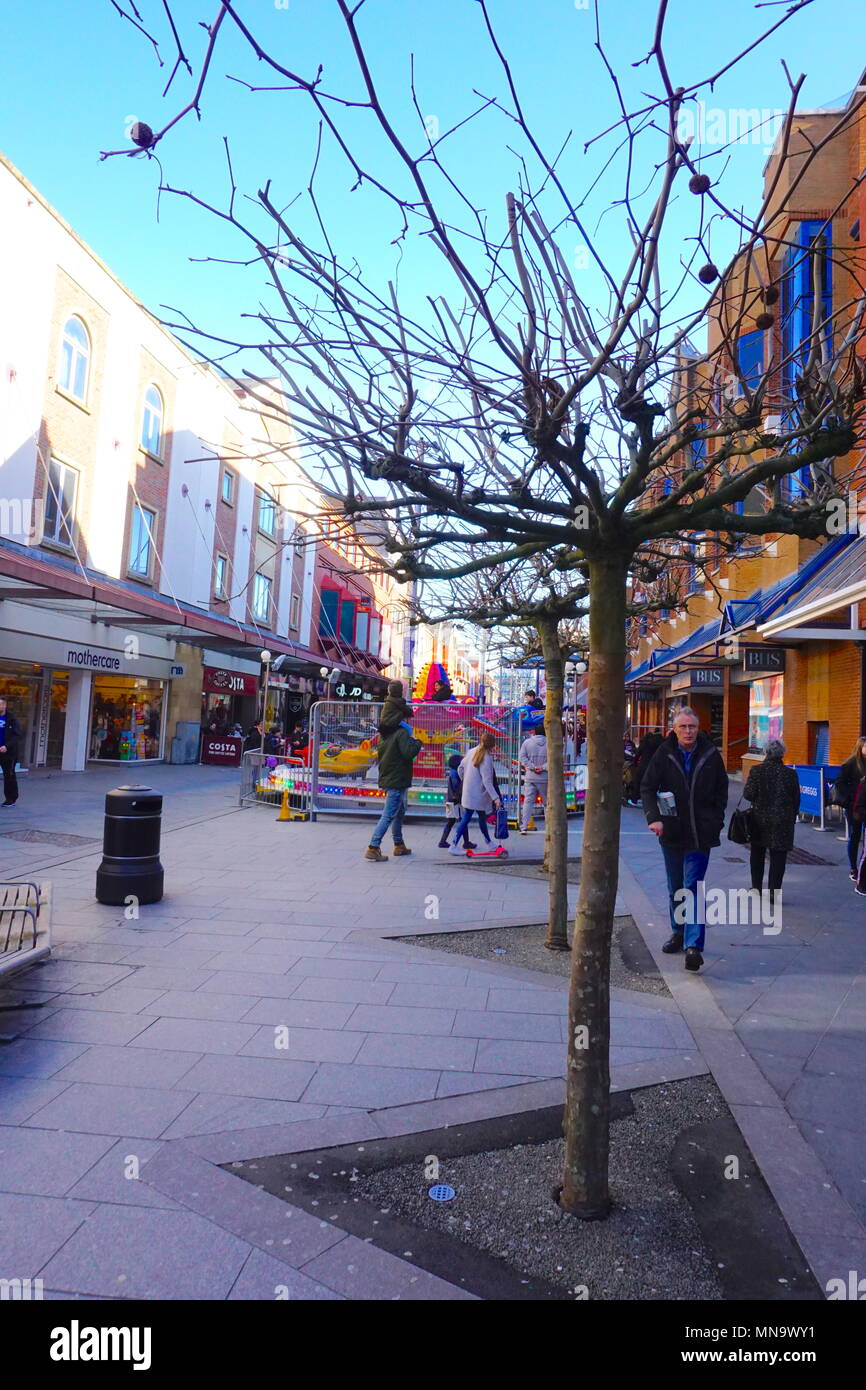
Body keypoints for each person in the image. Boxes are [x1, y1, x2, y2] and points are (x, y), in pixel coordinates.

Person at [641, 707, 729, 972]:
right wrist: (653, 818)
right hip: (671, 832)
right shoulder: (664, 753)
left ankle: (694, 945)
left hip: (700, 835)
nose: (688, 732)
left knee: (693, 887)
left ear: (698, 728)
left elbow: (721, 791)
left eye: (692, 727)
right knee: (675, 886)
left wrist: (716, 821)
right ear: (674, 729)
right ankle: (678, 932)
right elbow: (647, 787)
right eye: (683, 727)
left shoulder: (711, 754)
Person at [742, 739, 800, 901]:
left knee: (757, 854)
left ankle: (756, 889)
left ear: (766, 752)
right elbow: (796, 799)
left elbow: (748, 795)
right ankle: (774, 893)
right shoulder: (790, 774)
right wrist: (791, 816)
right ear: (782, 754)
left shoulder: (757, 771)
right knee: (778, 857)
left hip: (759, 820)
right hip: (783, 821)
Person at [365, 707, 422, 861]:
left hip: (391, 777)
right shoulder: (401, 733)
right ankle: (373, 846)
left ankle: (399, 844)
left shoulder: (385, 734)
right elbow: (408, 753)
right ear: (401, 719)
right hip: (397, 779)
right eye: (407, 719)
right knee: (389, 814)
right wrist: (417, 743)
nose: (409, 722)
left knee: (399, 812)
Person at [449, 732, 500, 855]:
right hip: (480, 794)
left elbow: (460, 768)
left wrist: (465, 780)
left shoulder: (471, 751)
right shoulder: (487, 758)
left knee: (472, 817)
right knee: (474, 817)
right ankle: (454, 844)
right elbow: (487, 781)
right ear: (492, 745)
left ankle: (488, 842)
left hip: (468, 792)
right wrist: (496, 798)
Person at [832, 736, 866, 882]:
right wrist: (851, 798)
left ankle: (862, 867)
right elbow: (840, 783)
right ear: (860, 748)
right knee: (855, 836)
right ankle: (853, 868)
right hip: (854, 807)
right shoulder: (851, 764)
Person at [438, 753, 476, 849]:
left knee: (451, 822)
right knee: (463, 821)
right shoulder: (455, 773)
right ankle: (466, 842)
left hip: (451, 801)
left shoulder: (452, 772)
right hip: (456, 801)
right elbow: (457, 788)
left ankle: (443, 841)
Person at [518, 725, 547, 833]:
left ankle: (524, 826)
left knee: (528, 802)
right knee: (547, 803)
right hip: (545, 777)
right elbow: (554, 759)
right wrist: (542, 767)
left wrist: (532, 767)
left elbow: (522, 757)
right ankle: (549, 826)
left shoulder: (527, 742)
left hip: (530, 776)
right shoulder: (550, 743)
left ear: (534, 732)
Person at [632, 727, 664, 804]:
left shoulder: (646, 742)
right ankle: (651, 801)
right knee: (653, 784)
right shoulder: (662, 742)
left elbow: (638, 753)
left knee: (638, 782)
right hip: (656, 766)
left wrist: (635, 762)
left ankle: (635, 799)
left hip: (644, 765)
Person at [0, 698, 22, 807]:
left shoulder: (12, 719)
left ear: (4, 705)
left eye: (0, 704)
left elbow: (17, 735)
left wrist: (7, 746)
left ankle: (11, 798)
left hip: (8, 753)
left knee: (9, 775)